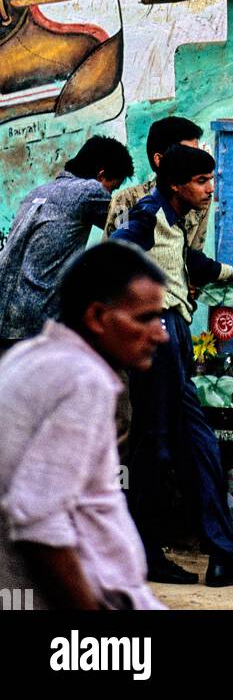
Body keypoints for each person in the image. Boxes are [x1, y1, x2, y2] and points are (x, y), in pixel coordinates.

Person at [113, 144, 233, 588]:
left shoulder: (174, 219)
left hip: (174, 333)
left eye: (211, 180)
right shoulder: (148, 216)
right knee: (154, 445)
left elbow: (189, 264)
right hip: (160, 334)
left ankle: (221, 556)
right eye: (202, 181)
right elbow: (115, 255)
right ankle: (143, 553)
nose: (210, 189)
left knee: (198, 444)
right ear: (176, 184)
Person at [0, 240, 168, 610]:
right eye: (144, 318)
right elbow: (40, 522)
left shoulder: (30, 356)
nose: (160, 334)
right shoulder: (84, 380)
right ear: (96, 317)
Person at [0, 135, 134, 354]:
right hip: (40, 317)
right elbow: (127, 228)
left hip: (7, 314)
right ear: (101, 176)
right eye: (113, 187)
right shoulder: (90, 190)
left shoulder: (38, 192)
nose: (111, 195)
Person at [104, 115, 209, 251]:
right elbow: (114, 255)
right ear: (159, 159)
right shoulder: (126, 201)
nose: (196, 163)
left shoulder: (199, 200)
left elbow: (195, 257)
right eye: (187, 155)